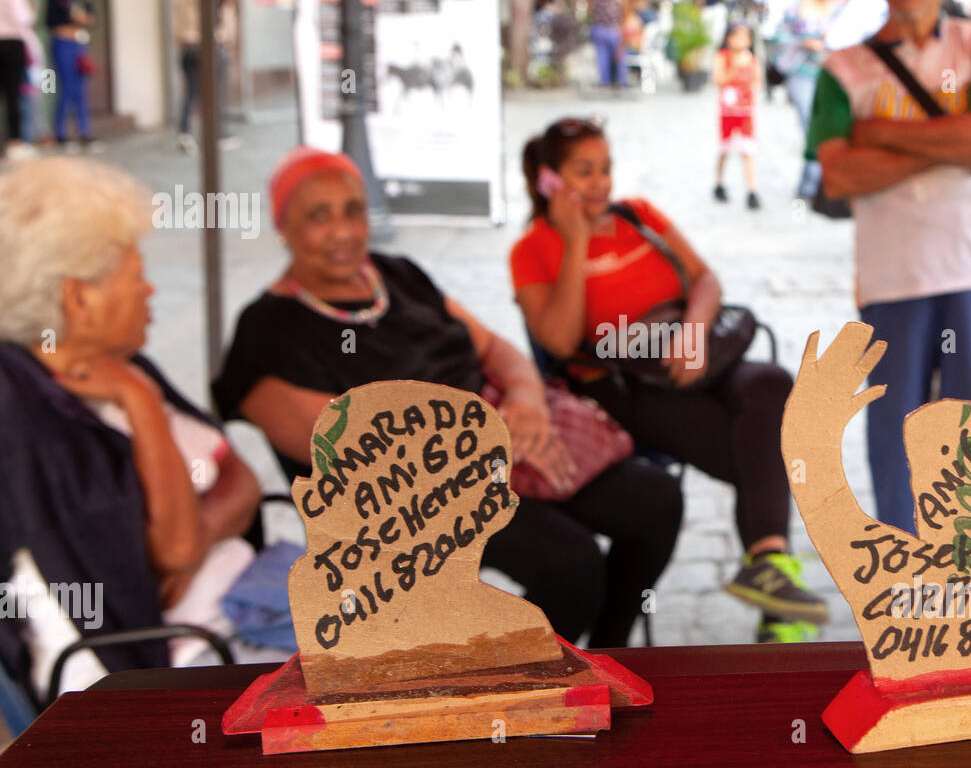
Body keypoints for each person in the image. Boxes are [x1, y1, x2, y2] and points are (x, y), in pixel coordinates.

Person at [211, 147, 681, 649]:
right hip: (411, 502)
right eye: (318, 217)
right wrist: (497, 445)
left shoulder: (396, 276)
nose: (344, 232)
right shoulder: (267, 330)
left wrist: (527, 403)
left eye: (353, 211)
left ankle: (608, 648)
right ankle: (505, 682)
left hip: (505, 445)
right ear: (283, 227)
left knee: (655, 500)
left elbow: (497, 350)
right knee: (572, 563)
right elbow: (351, 456)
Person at [511, 117, 828, 641]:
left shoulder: (638, 214)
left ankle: (769, 569)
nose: (600, 183)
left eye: (605, 169)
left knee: (771, 382)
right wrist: (573, 242)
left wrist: (694, 333)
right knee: (767, 444)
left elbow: (704, 278)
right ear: (548, 180)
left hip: (691, 357)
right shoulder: (534, 249)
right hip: (618, 386)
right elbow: (561, 342)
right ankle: (775, 595)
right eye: (583, 172)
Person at [0, 158, 265, 706]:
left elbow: (239, 479)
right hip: (180, 671)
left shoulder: (126, 364)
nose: (151, 290)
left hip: (239, 613)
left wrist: (198, 533)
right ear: (78, 299)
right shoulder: (37, 421)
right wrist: (143, 407)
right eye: (135, 274)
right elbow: (174, 549)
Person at [807, 0, 971, 534]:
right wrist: (949, 143)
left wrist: (879, 135)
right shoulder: (842, 68)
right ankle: (907, 569)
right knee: (896, 434)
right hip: (890, 280)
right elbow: (839, 176)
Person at [778, 0, 844, 198]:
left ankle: (812, 182)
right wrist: (802, 42)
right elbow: (781, 34)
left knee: (826, 128)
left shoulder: (841, 9)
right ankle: (814, 183)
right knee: (811, 125)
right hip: (801, 73)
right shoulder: (798, 6)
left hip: (830, 76)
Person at [172, 0, 238, 153]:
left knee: (191, 93)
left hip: (189, 48)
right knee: (215, 93)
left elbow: (176, 28)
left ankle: (185, 133)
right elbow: (227, 28)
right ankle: (217, 134)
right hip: (211, 48)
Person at [45, 0, 98, 151]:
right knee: (66, 89)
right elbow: (51, 21)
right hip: (62, 43)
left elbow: (91, 18)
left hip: (78, 43)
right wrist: (72, 19)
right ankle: (61, 133)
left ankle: (84, 131)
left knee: (80, 89)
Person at [712, 23, 761, 209]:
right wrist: (735, 68)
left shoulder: (753, 60)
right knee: (725, 149)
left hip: (746, 112)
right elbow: (718, 80)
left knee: (747, 151)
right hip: (727, 112)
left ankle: (751, 191)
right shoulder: (722, 57)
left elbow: (757, 83)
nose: (740, 41)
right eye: (736, 36)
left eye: (744, 36)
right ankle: (719, 183)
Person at [0, 0, 36, 157]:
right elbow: (22, 18)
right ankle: (15, 143)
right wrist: (31, 10)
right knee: (13, 94)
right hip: (12, 43)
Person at [588, 0, 626, 89]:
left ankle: (605, 82)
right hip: (613, 30)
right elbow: (623, 13)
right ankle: (621, 80)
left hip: (598, 29)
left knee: (602, 57)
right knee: (619, 56)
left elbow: (591, 13)